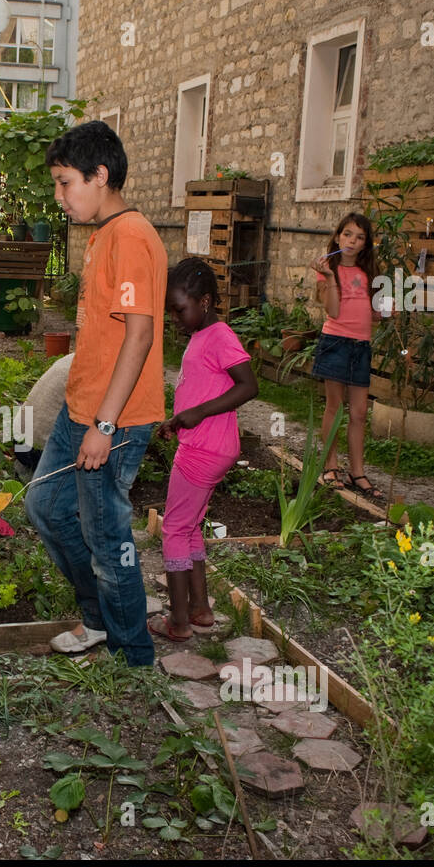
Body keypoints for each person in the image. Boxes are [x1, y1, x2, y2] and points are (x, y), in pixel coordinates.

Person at [24, 121, 166, 667]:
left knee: (108, 540)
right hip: (80, 410)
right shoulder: (104, 233)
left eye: (65, 183)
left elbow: (140, 334)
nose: (59, 197)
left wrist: (105, 426)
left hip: (114, 419)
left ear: (99, 176)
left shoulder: (130, 237)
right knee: (45, 507)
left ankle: (134, 656)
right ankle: (99, 622)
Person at [149, 260, 258, 642]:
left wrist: (196, 413)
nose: (175, 318)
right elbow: (204, 389)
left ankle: (177, 623)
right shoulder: (202, 335)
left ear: (206, 301)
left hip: (204, 450)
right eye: (171, 312)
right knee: (190, 526)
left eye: (180, 309)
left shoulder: (220, 335)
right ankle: (200, 609)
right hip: (206, 444)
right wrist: (178, 420)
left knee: (174, 530)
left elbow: (248, 386)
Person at [309, 212, 383, 500]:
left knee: (360, 413)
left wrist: (384, 311)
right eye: (348, 234)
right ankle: (330, 466)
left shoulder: (369, 273)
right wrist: (329, 277)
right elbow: (335, 311)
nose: (352, 241)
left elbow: (372, 315)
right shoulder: (328, 268)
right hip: (336, 343)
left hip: (361, 346)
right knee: (335, 408)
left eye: (359, 237)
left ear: (366, 244)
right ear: (338, 237)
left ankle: (357, 472)